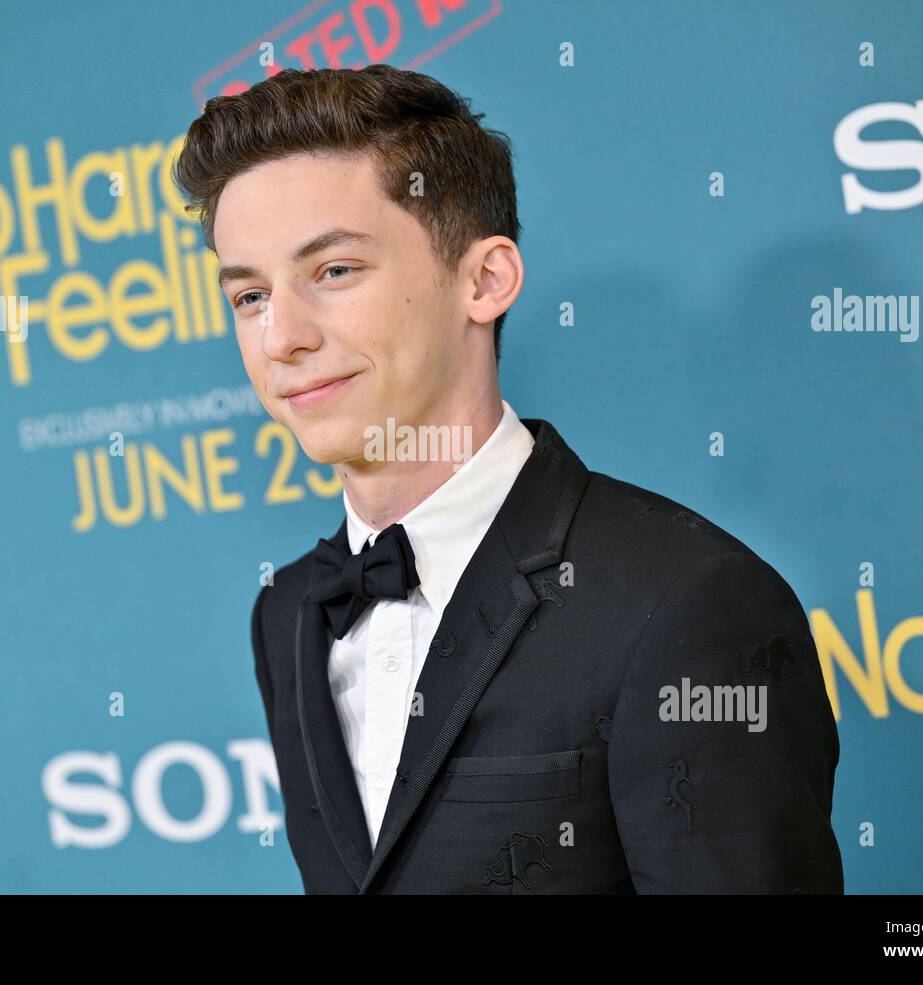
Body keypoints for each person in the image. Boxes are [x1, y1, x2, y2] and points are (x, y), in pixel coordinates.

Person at [175, 64, 843, 894]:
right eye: (248, 296)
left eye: (335, 270)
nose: (281, 337)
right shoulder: (289, 613)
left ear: (485, 279)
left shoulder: (686, 602)